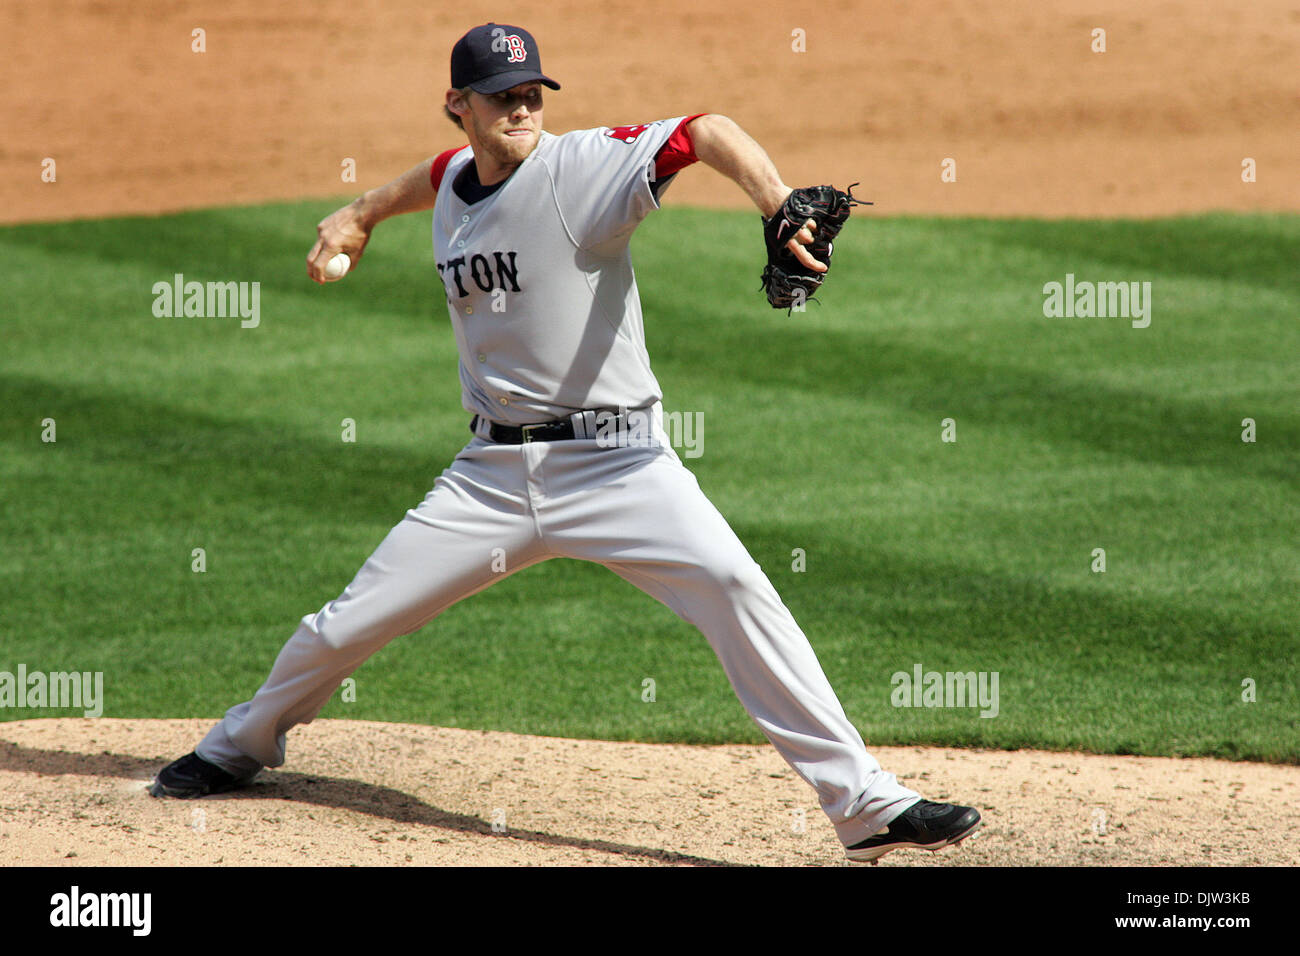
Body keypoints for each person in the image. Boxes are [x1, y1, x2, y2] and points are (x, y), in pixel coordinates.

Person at [150, 22, 982, 864]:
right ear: (457, 106)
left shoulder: (580, 169)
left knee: (736, 586)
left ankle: (866, 804)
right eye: (501, 94)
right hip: (490, 479)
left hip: (619, 467)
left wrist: (775, 205)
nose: (520, 106)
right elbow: (437, 176)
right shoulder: (453, 178)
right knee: (345, 627)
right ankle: (239, 745)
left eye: (530, 92)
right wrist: (358, 213)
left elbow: (704, 131)